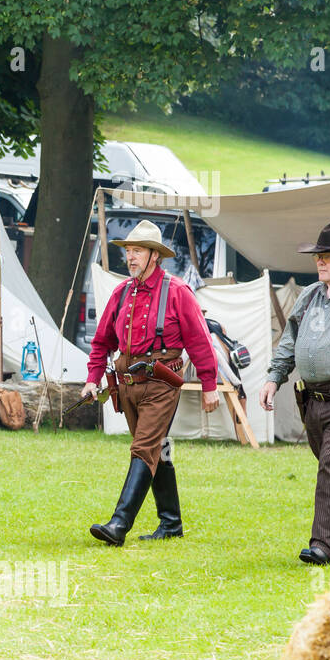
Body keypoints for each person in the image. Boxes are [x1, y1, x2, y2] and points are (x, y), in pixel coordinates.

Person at [83, 220, 219, 546]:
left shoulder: (177, 292)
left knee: (143, 448)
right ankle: (171, 523)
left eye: (138, 250)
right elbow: (101, 343)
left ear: (154, 255)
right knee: (158, 450)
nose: (130, 257)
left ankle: (119, 524)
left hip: (162, 383)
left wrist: (210, 383)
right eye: (128, 250)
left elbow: (200, 341)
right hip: (127, 384)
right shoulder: (121, 292)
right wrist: (91, 379)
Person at [261, 219, 330, 564]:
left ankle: (323, 544)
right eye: (317, 256)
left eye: (328, 256)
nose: (319, 262)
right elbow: (289, 341)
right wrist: (273, 378)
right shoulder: (309, 296)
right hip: (312, 401)